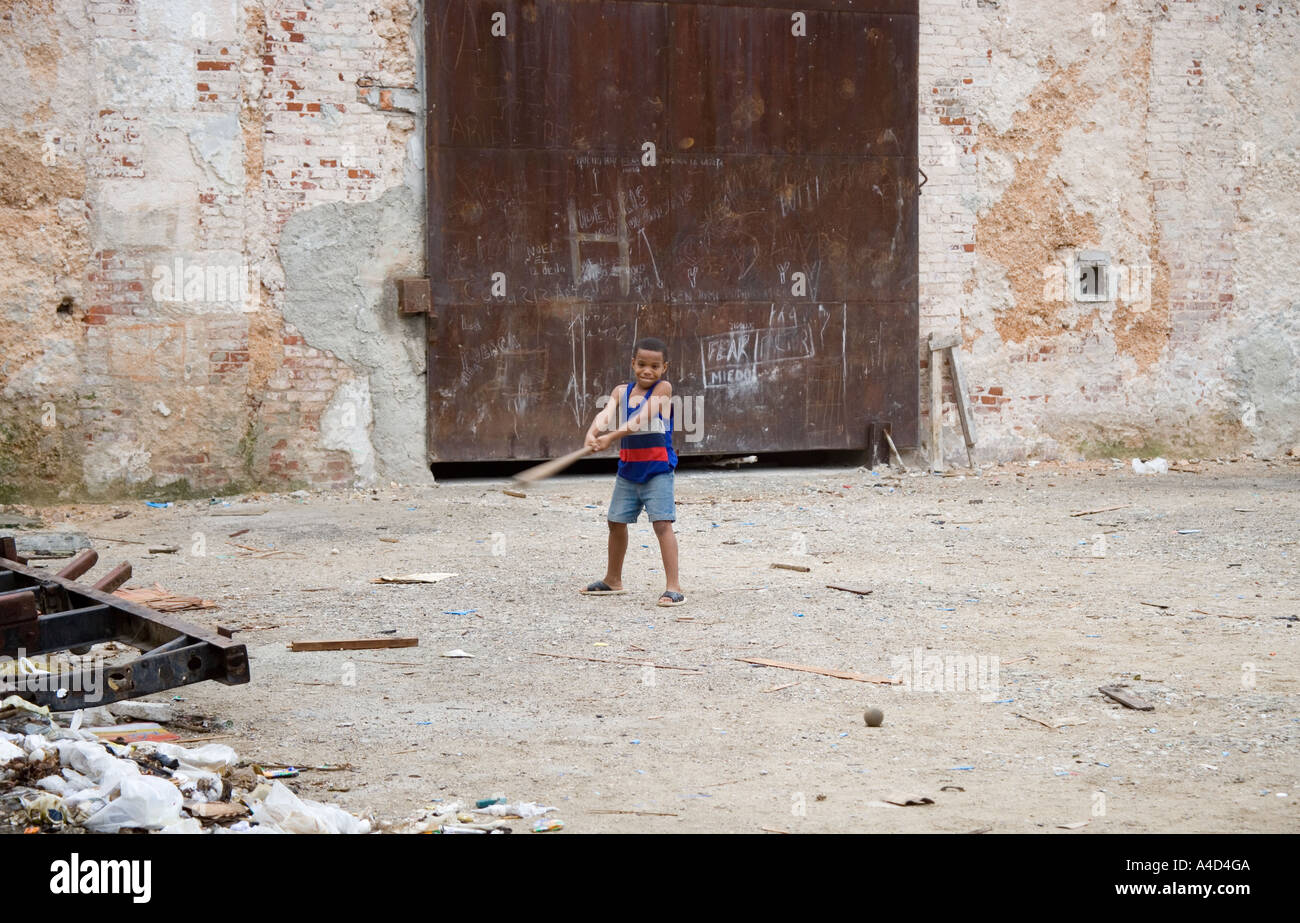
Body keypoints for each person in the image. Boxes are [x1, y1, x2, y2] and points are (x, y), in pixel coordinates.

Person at [579, 336, 684, 607]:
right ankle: (613, 580)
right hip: (628, 470)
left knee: (662, 524)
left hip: (657, 470)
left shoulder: (663, 389)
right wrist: (593, 433)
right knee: (615, 522)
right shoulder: (620, 392)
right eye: (641, 364)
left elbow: (642, 418)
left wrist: (610, 437)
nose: (647, 371)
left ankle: (673, 587)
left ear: (664, 368)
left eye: (654, 366)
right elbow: (606, 414)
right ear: (632, 363)